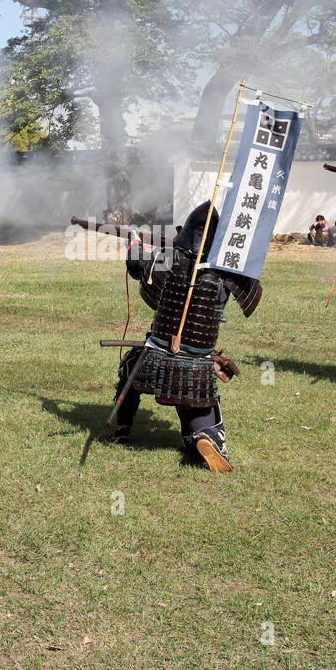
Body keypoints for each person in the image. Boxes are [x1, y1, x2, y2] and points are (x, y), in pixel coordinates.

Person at [108, 202, 261, 472]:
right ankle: (204, 436)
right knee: (198, 408)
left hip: (155, 357)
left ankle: (122, 428)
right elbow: (253, 293)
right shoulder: (227, 271)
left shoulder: (165, 257)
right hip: (198, 365)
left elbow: (135, 265)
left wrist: (134, 241)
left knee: (129, 370)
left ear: (186, 230)